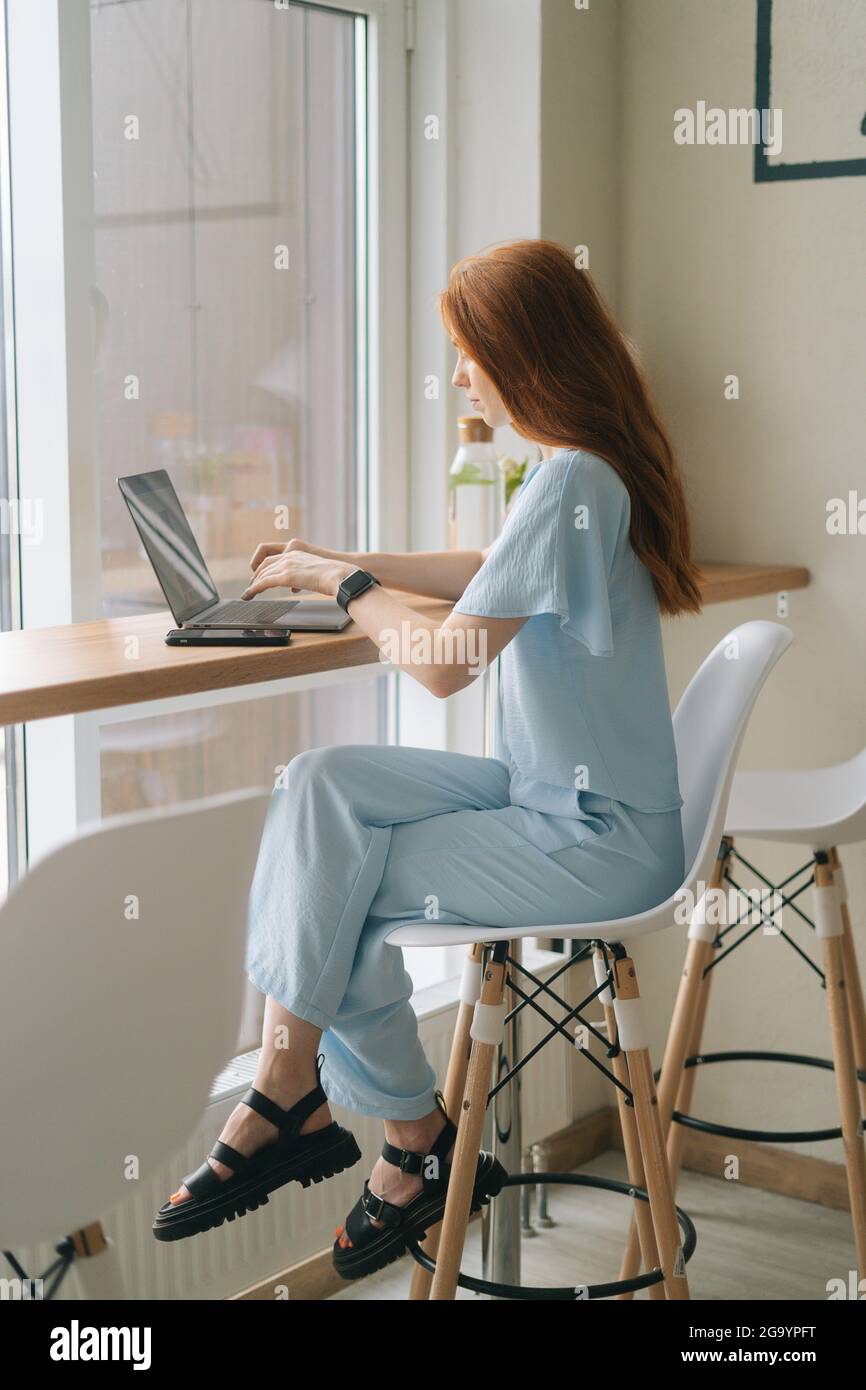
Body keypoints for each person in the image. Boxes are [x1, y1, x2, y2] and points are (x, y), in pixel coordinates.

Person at [152, 239, 702, 1281]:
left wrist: (352, 589)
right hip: (557, 798)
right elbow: (488, 572)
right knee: (321, 786)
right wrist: (338, 562)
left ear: (518, 352)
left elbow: (447, 665)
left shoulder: (572, 478)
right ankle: (322, 1103)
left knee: (333, 882)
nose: (457, 376)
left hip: (591, 838)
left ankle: (362, 1120)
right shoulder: (579, 471)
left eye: (465, 352)